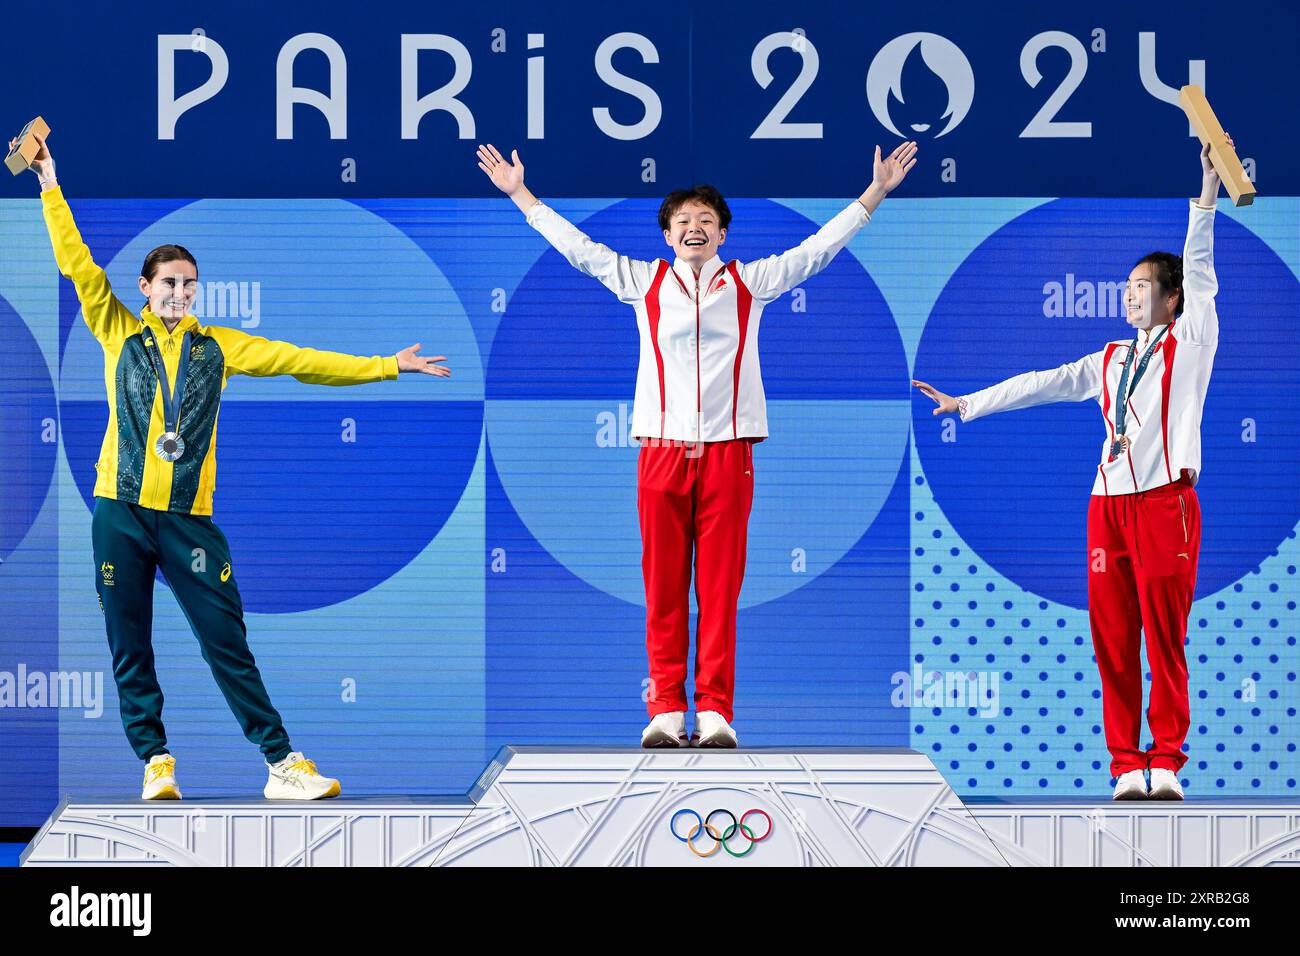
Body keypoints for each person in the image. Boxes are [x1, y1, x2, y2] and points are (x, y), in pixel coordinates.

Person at [17, 128, 452, 800]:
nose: (179, 293)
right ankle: (155, 762)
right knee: (128, 641)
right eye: (168, 283)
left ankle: (281, 763)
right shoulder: (115, 329)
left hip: (189, 520)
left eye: (189, 284)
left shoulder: (220, 347)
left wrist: (388, 366)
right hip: (121, 510)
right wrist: (50, 182)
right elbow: (76, 264)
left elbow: (302, 362)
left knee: (228, 644)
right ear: (145, 287)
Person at [477, 140, 917, 748]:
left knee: (718, 588)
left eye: (706, 221)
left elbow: (818, 251)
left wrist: (875, 194)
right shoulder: (641, 282)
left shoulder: (751, 283)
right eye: (682, 221)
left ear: (723, 235)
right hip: (660, 450)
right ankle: (664, 709)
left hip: (729, 453)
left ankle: (713, 710)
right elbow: (578, 249)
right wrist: (520, 195)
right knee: (662, 585)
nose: (694, 228)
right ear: (666, 235)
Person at [914, 137, 1234, 800]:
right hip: (1106, 509)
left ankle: (1166, 759)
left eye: (1142, 288)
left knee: (1164, 638)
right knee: (1114, 640)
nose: (1130, 297)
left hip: (1165, 506)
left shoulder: (1192, 338)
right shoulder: (1111, 357)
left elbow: (1201, 268)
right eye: (1126, 289)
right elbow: (1042, 382)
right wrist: (967, 403)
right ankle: (1125, 764)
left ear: (1172, 300)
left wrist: (1205, 197)